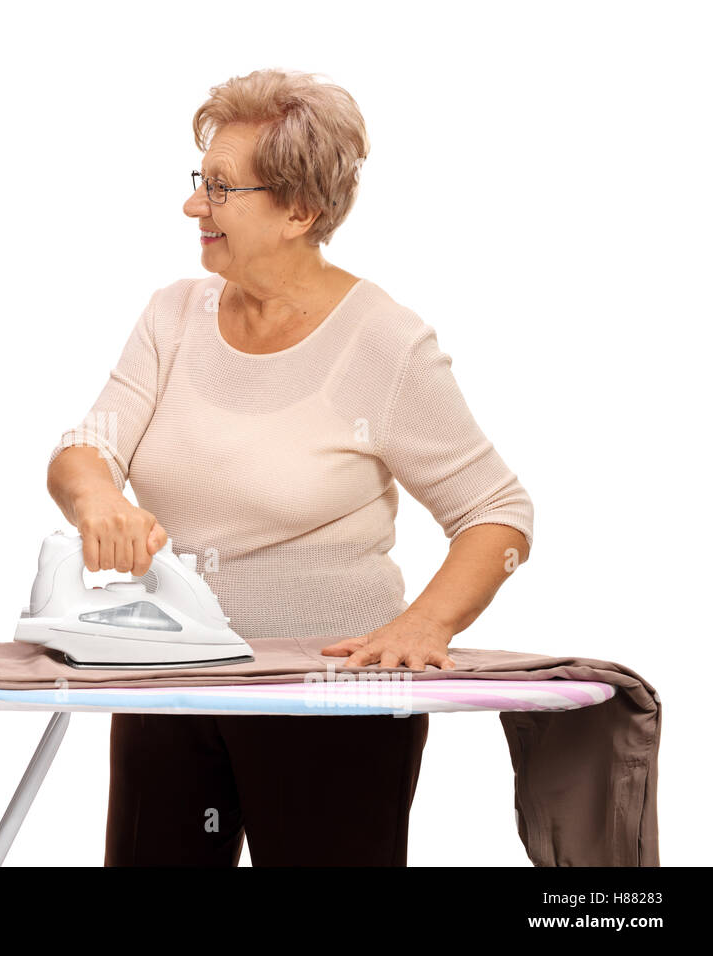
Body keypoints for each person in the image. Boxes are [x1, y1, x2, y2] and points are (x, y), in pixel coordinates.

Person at [46, 68, 533, 866]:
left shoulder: (383, 342)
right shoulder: (174, 315)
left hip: (330, 704)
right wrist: (97, 493)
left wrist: (425, 624)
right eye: (199, 183)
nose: (193, 206)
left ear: (300, 211)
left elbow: (498, 511)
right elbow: (86, 444)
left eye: (221, 190)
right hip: (173, 684)